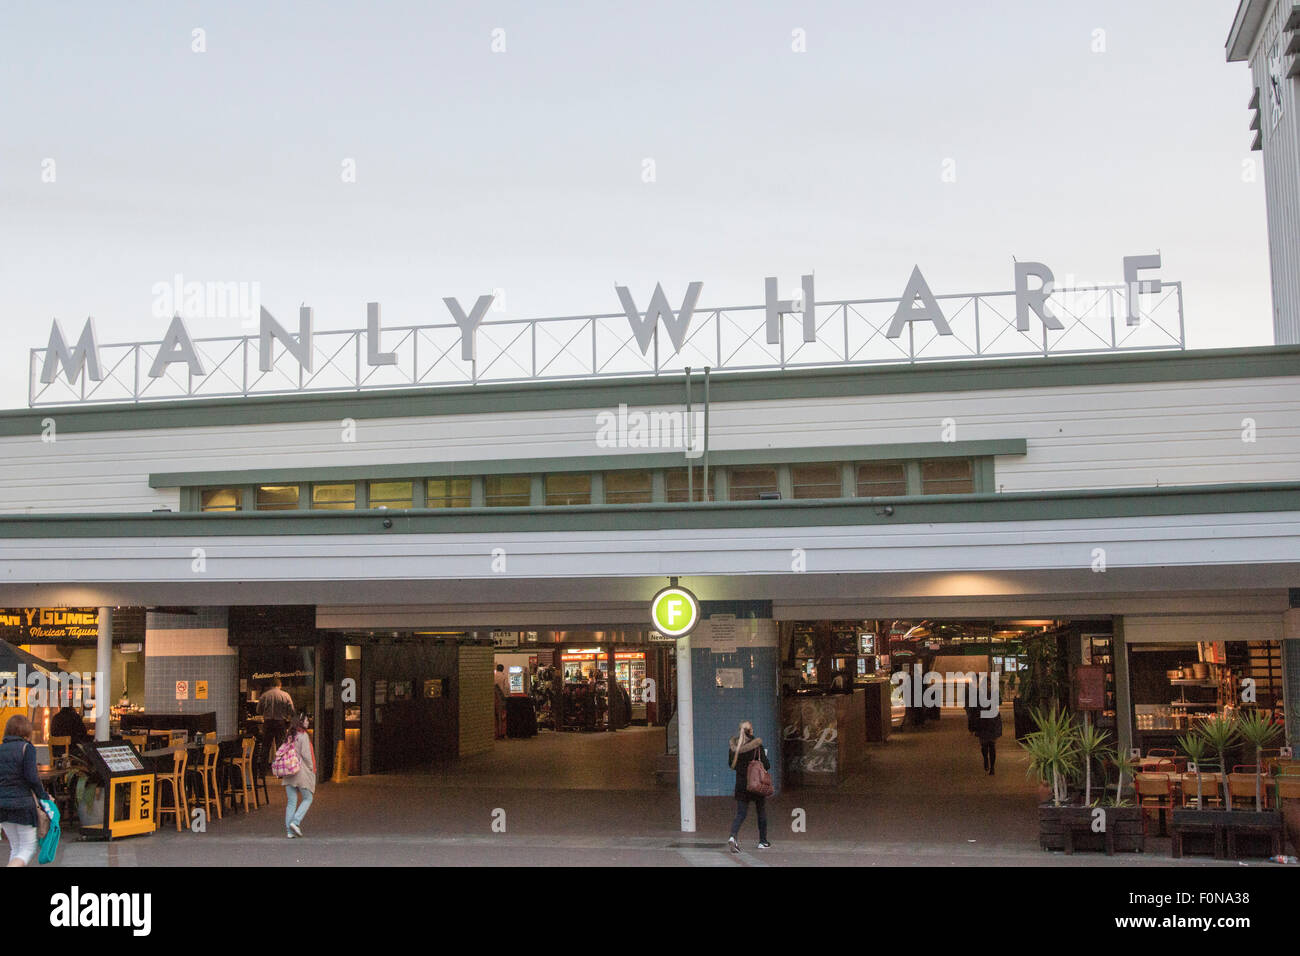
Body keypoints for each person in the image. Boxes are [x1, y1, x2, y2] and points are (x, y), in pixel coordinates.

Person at [0, 715, 56, 867]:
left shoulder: (1, 749)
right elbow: (32, 778)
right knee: (28, 847)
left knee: (16, 848)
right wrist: (44, 796)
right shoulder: (27, 748)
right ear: (26, 731)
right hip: (22, 804)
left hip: (2, 805)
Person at [726, 719, 771, 852]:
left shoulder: (734, 747)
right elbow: (766, 764)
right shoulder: (757, 745)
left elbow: (731, 765)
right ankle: (763, 841)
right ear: (751, 730)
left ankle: (733, 836)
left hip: (741, 785)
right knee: (761, 812)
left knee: (741, 813)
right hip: (756, 784)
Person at [280, 715, 316, 838]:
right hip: (300, 772)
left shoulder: (290, 735)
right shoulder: (303, 736)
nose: (308, 722)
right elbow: (306, 755)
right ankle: (295, 822)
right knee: (308, 797)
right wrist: (311, 768)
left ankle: (289, 832)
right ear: (300, 722)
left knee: (291, 802)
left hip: (288, 771)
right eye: (305, 720)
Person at [257, 678, 295, 755]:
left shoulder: (264, 695)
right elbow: (292, 711)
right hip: (280, 723)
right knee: (281, 746)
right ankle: (280, 766)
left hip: (268, 723)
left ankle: (263, 766)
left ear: (271, 685)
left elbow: (258, 710)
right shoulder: (285, 695)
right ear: (280, 685)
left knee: (265, 747)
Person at [977, 703, 1004, 775]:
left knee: (991, 746)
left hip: (990, 725)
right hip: (985, 725)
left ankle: (992, 767)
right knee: (986, 746)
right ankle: (986, 759)